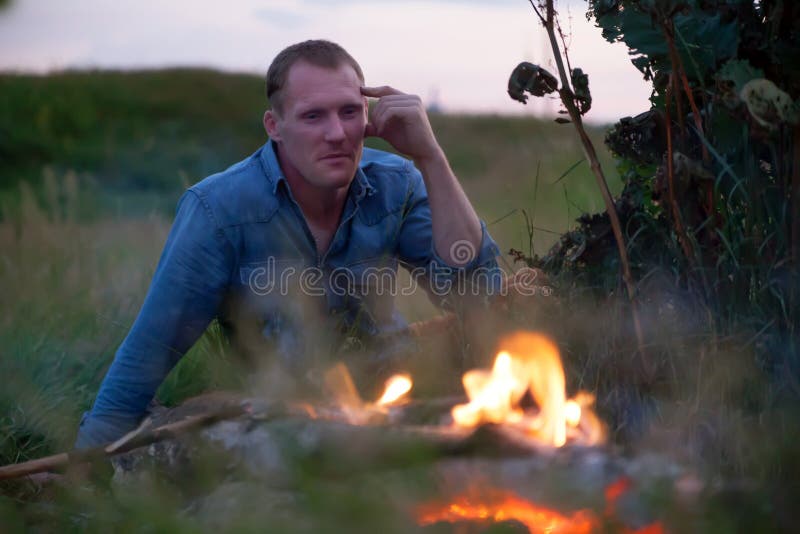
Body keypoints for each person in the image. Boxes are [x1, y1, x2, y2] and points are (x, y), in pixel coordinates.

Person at [75, 39, 500, 448]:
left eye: (350, 112)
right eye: (313, 116)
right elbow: (145, 358)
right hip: (278, 427)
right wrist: (78, 471)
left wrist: (431, 157)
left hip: (393, 405)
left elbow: (479, 294)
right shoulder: (218, 212)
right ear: (274, 126)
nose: (337, 133)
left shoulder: (396, 184)